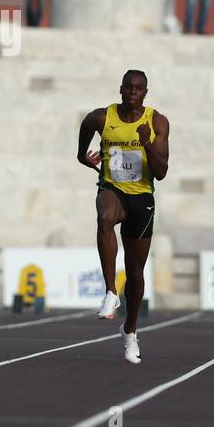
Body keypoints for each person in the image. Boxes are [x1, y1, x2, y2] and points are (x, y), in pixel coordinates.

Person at [76, 70, 170, 364]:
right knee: (104, 217)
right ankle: (109, 291)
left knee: (136, 274)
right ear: (120, 89)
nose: (132, 92)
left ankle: (130, 331)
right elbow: (84, 130)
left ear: (145, 93)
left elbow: (162, 172)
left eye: (138, 88)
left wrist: (146, 144)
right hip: (112, 188)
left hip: (142, 197)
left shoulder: (157, 122)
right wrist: (82, 156)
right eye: (128, 87)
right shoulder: (102, 117)